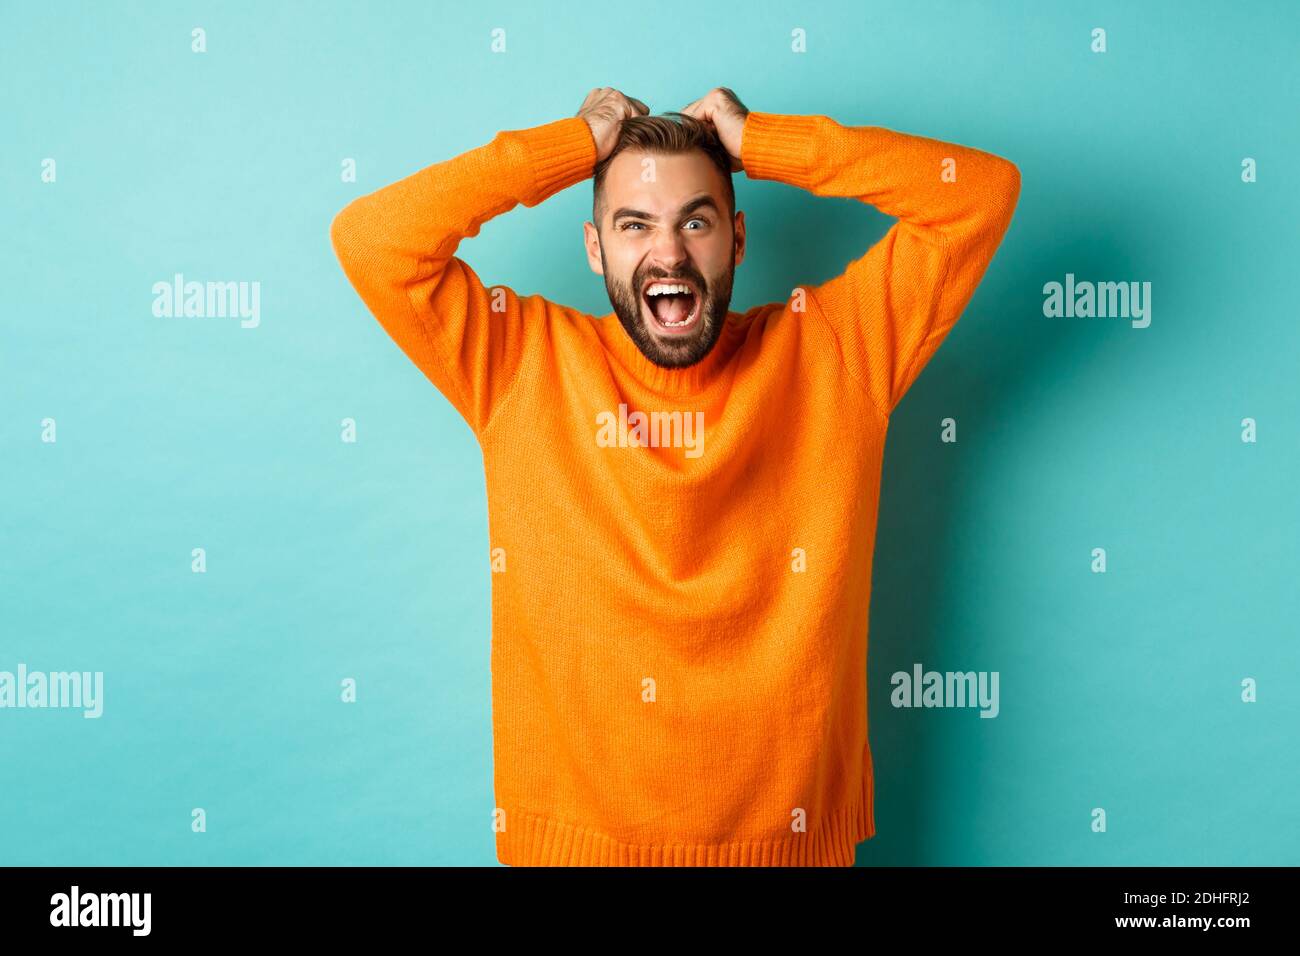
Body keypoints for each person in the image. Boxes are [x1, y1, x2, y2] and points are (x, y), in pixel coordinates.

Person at [330, 87, 1021, 866]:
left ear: (737, 238)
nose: (669, 254)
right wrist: (571, 145)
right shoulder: (519, 364)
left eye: (696, 220)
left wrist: (759, 141)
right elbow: (373, 240)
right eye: (635, 225)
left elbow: (979, 194)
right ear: (595, 249)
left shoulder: (836, 350)